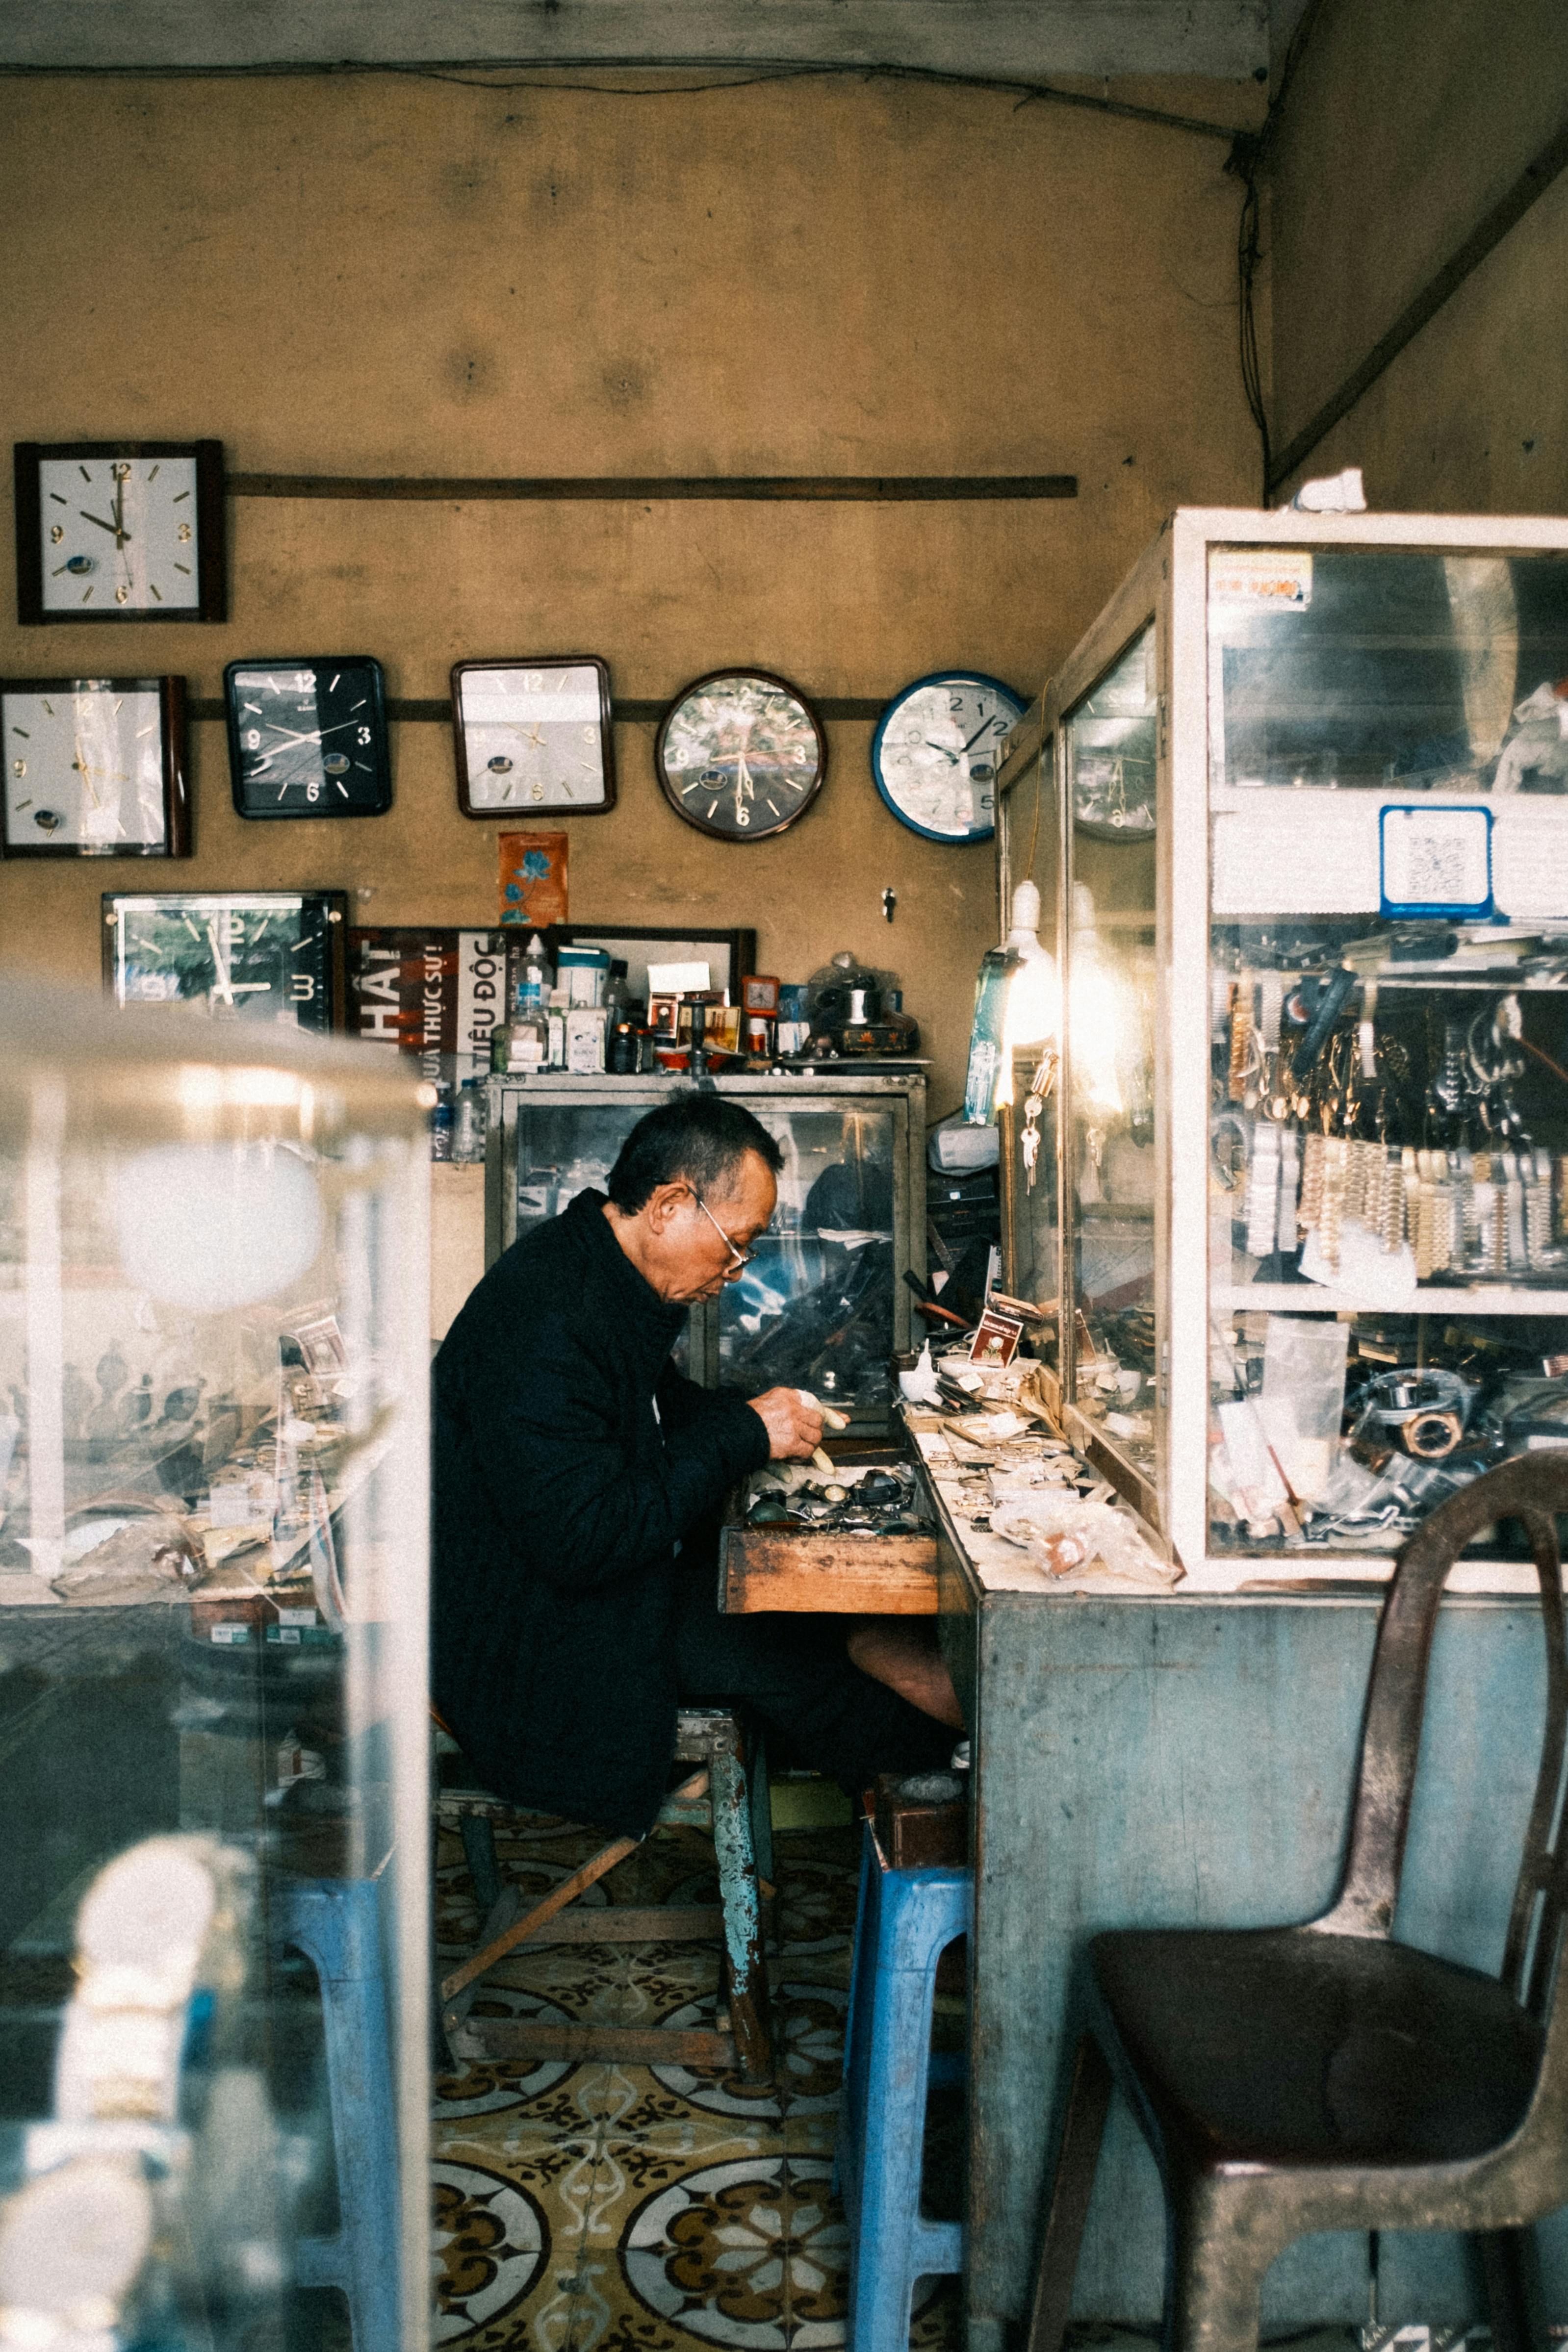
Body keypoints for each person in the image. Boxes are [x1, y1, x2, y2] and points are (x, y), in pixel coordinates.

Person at [432, 1092, 959, 1839]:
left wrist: (761, 1421)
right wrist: (743, 1434)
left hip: (596, 1587)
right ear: (671, 1205)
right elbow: (582, 1539)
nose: (738, 1270)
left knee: (824, 1615)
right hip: (535, 1636)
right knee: (792, 1652)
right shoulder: (545, 1318)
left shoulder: (601, 1271)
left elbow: (662, 1407)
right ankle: (939, 1804)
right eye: (735, 1244)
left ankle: (924, 1782)